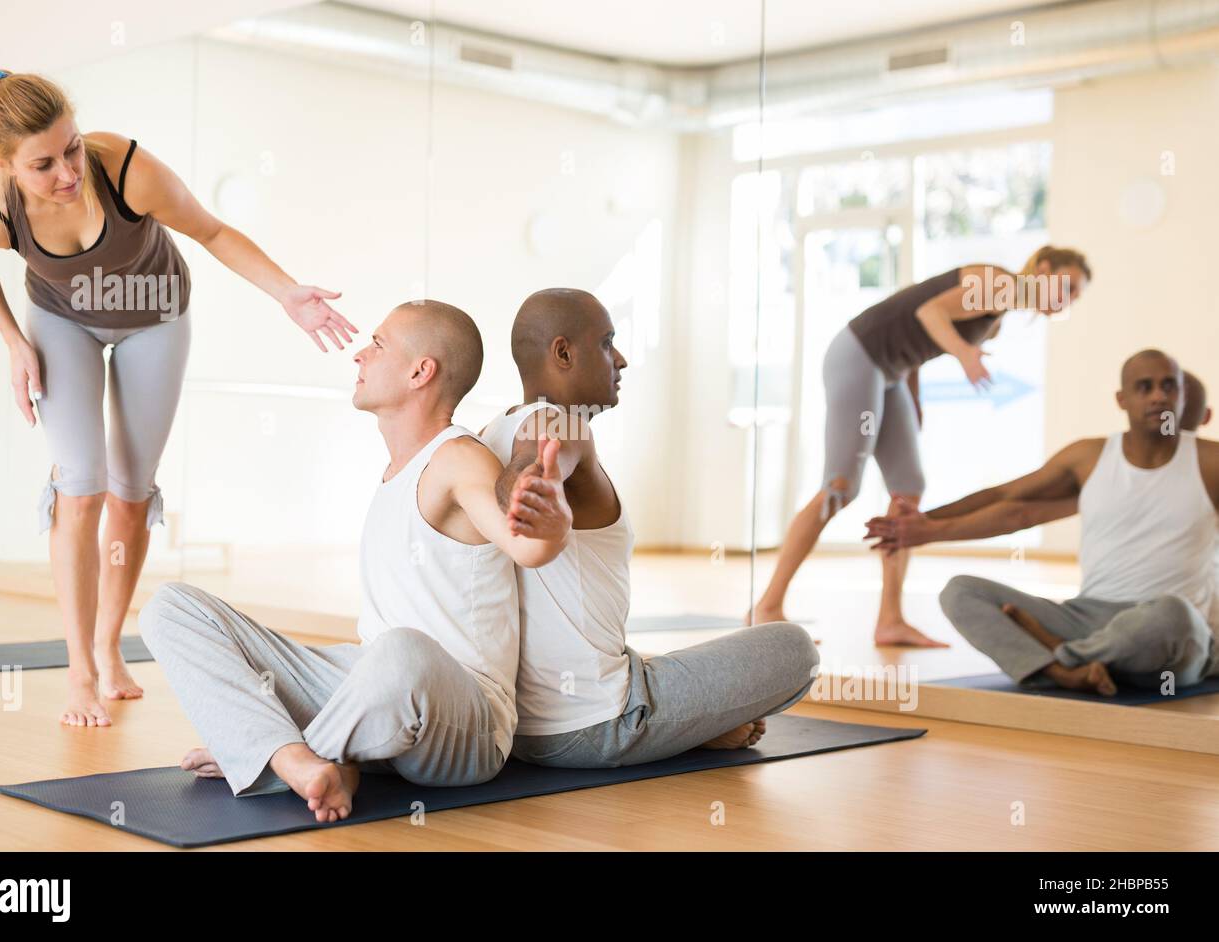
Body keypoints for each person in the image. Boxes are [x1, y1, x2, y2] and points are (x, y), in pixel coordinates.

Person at [0, 70, 356, 727]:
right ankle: (80, 668)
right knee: (79, 485)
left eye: (72, 148)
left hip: (155, 318)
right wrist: (13, 343)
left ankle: (111, 646)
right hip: (63, 323)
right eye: (44, 164)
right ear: (3, 165)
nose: (68, 172)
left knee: (131, 492)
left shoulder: (125, 169)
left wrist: (287, 293)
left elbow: (214, 232)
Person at [140, 300, 573, 822]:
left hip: (466, 719)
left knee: (400, 651)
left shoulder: (458, 457)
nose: (359, 356)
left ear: (421, 371)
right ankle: (299, 758)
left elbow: (523, 543)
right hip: (378, 690)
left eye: (378, 344)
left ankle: (273, 755)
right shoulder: (395, 470)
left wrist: (549, 528)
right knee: (170, 607)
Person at [479, 288, 819, 768]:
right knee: (794, 648)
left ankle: (690, 725)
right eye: (606, 342)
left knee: (638, 657)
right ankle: (677, 725)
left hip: (521, 729)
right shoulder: (561, 423)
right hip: (593, 726)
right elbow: (539, 450)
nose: (620, 359)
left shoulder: (489, 431)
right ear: (563, 353)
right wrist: (529, 482)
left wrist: (525, 484)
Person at [751, 247, 1092, 647]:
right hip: (859, 356)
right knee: (840, 487)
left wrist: (914, 399)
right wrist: (965, 352)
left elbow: (917, 339)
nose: (1067, 299)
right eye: (1066, 287)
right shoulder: (996, 283)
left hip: (892, 373)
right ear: (1045, 269)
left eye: (1074, 295)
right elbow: (928, 313)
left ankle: (890, 620)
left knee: (908, 489)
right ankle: (767, 608)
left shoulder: (998, 317)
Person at [866, 351, 1218, 695]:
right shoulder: (1089, 457)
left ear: (1183, 395)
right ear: (1122, 399)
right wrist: (926, 523)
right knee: (960, 591)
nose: (1158, 396)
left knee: (1175, 616)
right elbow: (1009, 499)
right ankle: (1068, 672)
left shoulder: (1209, 462)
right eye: (1145, 387)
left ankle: (1061, 655)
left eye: (1169, 386)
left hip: (1164, 643)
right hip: (1086, 617)